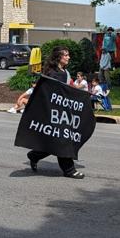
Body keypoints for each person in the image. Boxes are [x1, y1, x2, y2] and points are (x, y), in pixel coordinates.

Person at [26, 46, 85, 179]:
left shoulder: (64, 71)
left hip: (63, 112)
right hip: (53, 112)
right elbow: (47, 93)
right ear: (59, 57)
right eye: (66, 55)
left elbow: (69, 87)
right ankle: (69, 170)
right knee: (63, 139)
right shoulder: (52, 73)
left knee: (54, 141)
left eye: (68, 55)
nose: (68, 57)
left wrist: (83, 95)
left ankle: (34, 155)